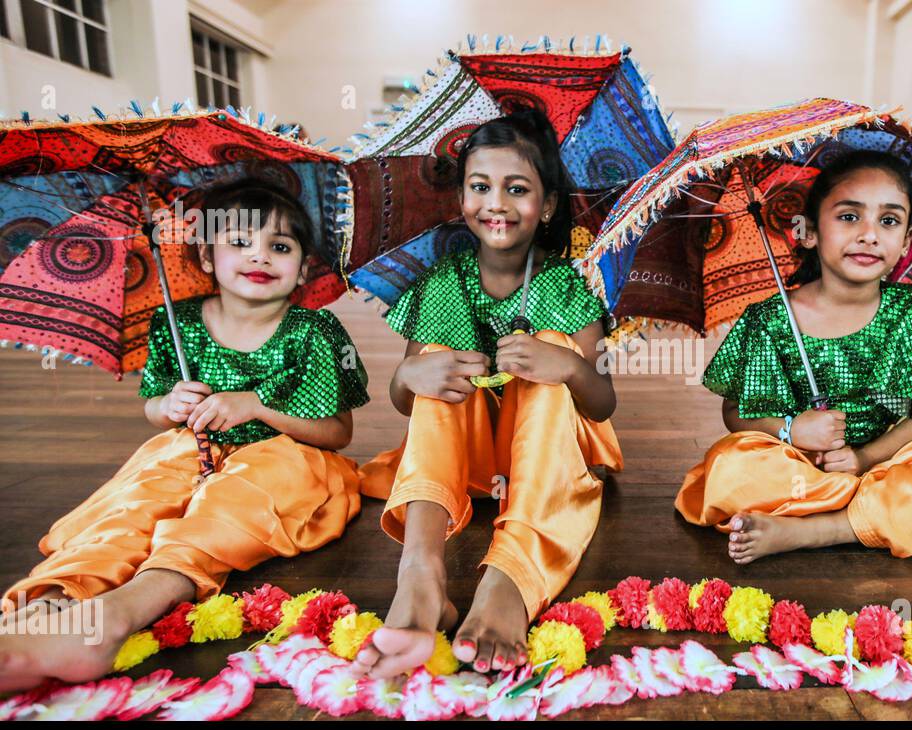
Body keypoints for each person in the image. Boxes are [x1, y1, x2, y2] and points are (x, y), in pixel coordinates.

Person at [0, 180, 369, 691]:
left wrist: (257, 406)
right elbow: (155, 408)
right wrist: (167, 405)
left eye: (280, 247)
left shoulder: (314, 332)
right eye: (239, 242)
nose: (259, 256)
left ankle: (121, 612)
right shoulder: (180, 322)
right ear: (206, 255)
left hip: (286, 456)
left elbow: (338, 433)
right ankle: (50, 605)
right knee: (132, 505)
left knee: (227, 510)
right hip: (188, 448)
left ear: (304, 267)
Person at [352, 109, 621, 678]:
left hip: (549, 457)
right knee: (433, 362)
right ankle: (421, 572)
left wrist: (568, 365)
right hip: (469, 461)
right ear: (462, 198)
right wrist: (409, 377)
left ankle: (510, 575)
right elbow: (405, 396)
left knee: (552, 351)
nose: (495, 202)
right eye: (480, 186)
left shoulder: (571, 284)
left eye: (517, 188)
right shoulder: (443, 280)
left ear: (546, 205)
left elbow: (602, 402)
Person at [676, 150, 912, 563]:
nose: (869, 234)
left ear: (905, 239)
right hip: (803, 466)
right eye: (849, 217)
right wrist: (793, 431)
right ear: (809, 232)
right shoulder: (772, 318)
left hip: (890, 459)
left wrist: (864, 457)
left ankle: (821, 528)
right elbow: (736, 414)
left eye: (888, 220)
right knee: (731, 466)